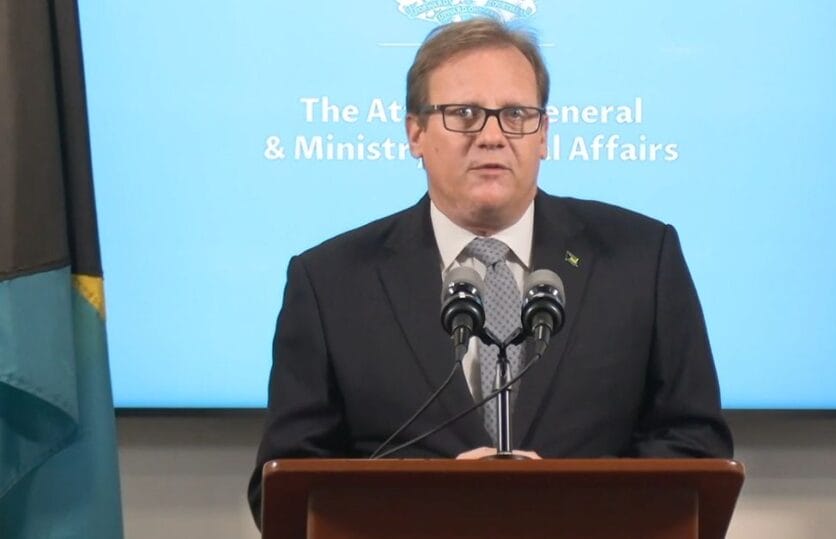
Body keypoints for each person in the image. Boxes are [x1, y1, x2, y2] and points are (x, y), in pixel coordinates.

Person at [248, 17, 733, 526]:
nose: (493, 136)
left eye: (516, 114)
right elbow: (285, 489)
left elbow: (696, 446)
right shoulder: (331, 283)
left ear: (544, 134)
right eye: (464, 114)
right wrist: (438, 498)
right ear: (415, 132)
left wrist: (565, 495)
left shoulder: (641, 259)